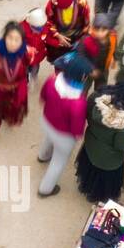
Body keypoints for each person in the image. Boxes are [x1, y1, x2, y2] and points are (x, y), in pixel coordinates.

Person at [37, 53, 95, 197]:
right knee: (59, 161)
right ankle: (45, 189)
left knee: (48, 140)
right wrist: (77, 136)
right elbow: (76, 126)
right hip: (63, 135)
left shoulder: (52, 80)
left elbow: (43, 97)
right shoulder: (78, 102)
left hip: (47, 122)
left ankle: (42, 156)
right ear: (82, 77)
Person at [75, 83, 124, 203]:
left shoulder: (97, 98)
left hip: (91, 144)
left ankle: (86, 188)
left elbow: (87, 113)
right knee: (103, 183)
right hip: (109, 158)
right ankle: (97, 196)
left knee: (89, 171)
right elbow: (121, 145)